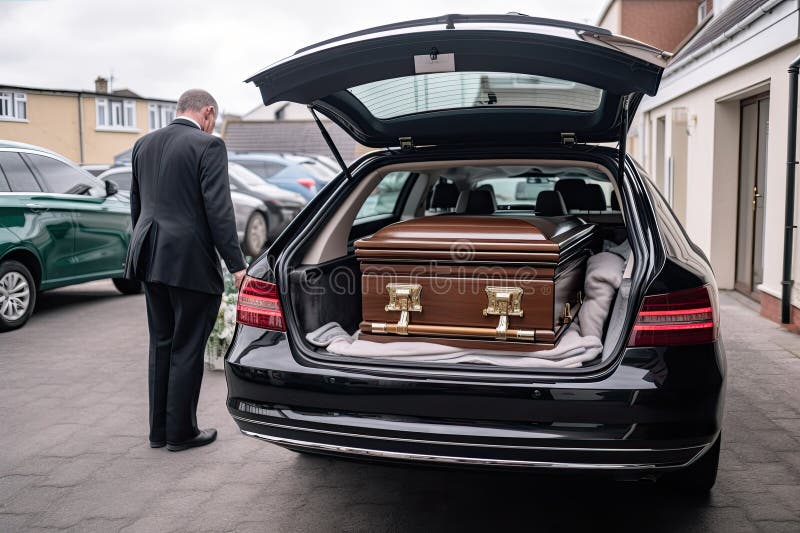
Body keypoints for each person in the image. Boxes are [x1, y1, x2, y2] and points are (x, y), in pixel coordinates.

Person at [124, 89, 246, 452]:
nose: (213, 126)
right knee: (188, 346)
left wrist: (145, 248)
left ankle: (159, 431)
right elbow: (219, 210)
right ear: (207, 112)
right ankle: (181, 432)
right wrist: (237, 265)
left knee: (161, 343)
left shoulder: (143, 144)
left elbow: (136, 204)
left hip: (149, 256)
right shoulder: (209, 146)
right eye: (214, 120)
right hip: (189, 261)